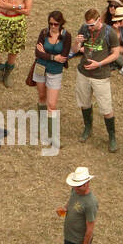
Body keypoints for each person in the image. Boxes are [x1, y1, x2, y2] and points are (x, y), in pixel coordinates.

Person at [72, 7, 123, 152]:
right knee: (84, 103)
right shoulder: (84, 29)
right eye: (88, 25)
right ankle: (88, 128)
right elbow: (74, 51)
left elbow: (116, 54)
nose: (90, 28)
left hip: (100, 76)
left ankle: (112, 137)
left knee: (106, 108)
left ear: (99, 20)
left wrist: (99, 64)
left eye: (92, 25)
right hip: (83, 73)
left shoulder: (109, 32)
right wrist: (76, 43)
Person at [30, 11, 71, 149]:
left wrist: (45, 54)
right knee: (42, 97)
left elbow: (63, 57)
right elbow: (37, 52)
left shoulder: (66, 36)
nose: (53, 26)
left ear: (61, 24)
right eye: (50, 24)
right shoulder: (43, 33)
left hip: (55, 72)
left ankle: (53, 136)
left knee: (52, 104)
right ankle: (43, 129)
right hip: (41, 68)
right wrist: (53, 57)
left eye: (55, 24)